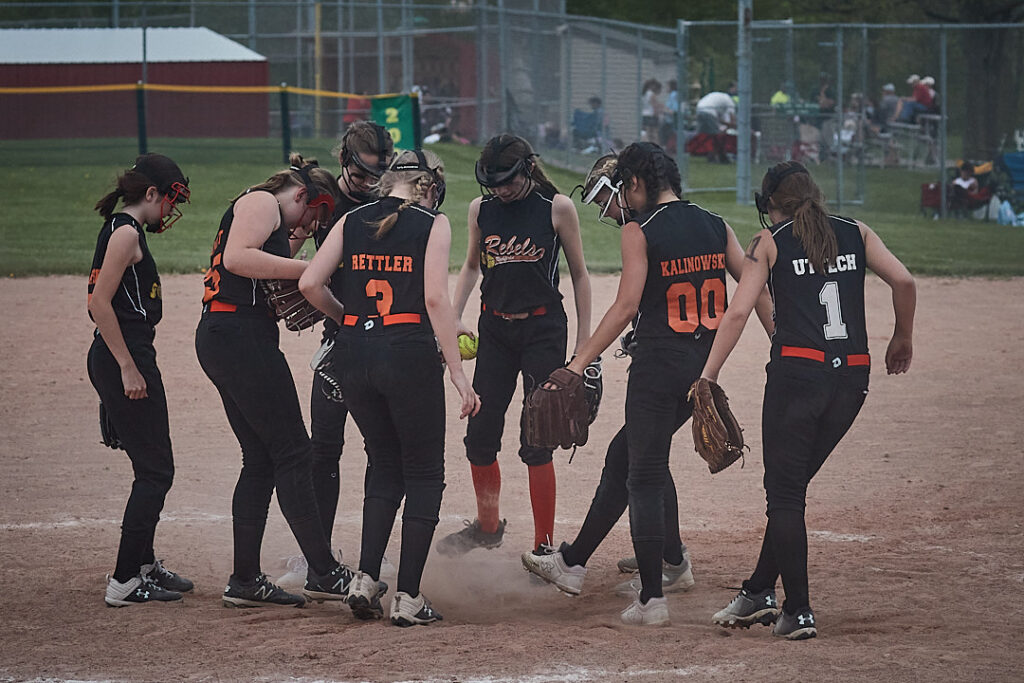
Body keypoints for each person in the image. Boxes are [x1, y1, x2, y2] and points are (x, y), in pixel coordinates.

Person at [522, 142, 773, 626]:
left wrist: (577, 363)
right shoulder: (714, 222)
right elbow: (752, 283)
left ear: (634, 183)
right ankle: (576, 563)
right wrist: (778, 336)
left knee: (643, 474)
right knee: (630, 456)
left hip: (658, 365)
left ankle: (652, 599)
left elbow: (626, 306)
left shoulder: (640, 229)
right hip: (700, 366)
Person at [705, 161, 915, 640]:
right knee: (791, 486)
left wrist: (708, 375)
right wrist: (902, 337)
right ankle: (759, 589)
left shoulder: (769, 241)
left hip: (797, 376)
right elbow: (904, 281)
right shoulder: (856, 232)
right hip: (851, 381)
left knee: (783, 494)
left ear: (770, 207)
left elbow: (739, 312)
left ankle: (797, 609)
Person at [299, 149, 480, 626]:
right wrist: (458, 373)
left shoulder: (352, 217)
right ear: (427, 186)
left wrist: (350, 321)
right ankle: (409, 598)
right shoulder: (430, 223)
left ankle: (364, 579)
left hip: (352, 354)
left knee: (383, 465)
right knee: (424, 473)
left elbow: (311, 283)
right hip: (407, 353)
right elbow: (436, 298)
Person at [196, 154, 359, 609]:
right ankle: (324, 573)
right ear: (303, 196)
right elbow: (238, 258)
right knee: (295, 452)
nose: (305, 231)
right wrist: (310, 270)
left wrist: (343, 315)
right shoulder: (264, 202)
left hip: (232, 336)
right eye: (310, 220)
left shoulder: (277, 220)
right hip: (236, 336)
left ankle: (245, 580)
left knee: (262, 459)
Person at [436, 134, 593, 558]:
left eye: (507, 181)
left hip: (544, 330)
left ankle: (544, 549)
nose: (500, 190)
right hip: (496, 331)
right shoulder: (481, 209)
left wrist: (583, 348)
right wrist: (453, 315)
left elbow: (579, 274)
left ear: (527, 170)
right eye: (493, 183)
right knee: (480, 435)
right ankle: (488, 527)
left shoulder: (555, 208)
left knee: (537, 437)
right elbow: (472, 266)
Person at [278, 121, 395, 588]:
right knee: (323, 448)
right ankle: (318, 557)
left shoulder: (390, 203)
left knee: (381, 450)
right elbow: (288, 250)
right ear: (345, 162)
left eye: (379, 176)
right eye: (364, 175)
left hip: (383, 339)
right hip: (338, 338)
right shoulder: (326, 201)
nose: (372, 185)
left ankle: (371, 558)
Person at [89, 154, 194, 607]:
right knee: (156, 471)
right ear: (150, 193)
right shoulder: (127, 232)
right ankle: (125, 580)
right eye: (169, 200)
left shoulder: (120, 229)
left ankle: (145, 564)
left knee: (150, 465)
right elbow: (98, 303)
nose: (169, 210)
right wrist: (126, 368)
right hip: (125, 357)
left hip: (125, 355)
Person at [695, 90, 736, 163]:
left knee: (708, 136)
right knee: (716, 137)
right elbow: (732, 120)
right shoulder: (730, 102)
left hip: (699, 109)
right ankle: (720, 157)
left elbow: (719, 120)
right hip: (709, 111)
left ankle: (712, 156)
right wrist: (731, 127)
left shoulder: (720, 100)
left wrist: (725, 126)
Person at [641, 79, 663, 143]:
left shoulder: (644, 94)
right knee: (655, 134)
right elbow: (655, 106)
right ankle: (656, 148)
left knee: (647, 133)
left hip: (645, 115)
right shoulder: (651, 94)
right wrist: (658, 114)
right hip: (651, 115)